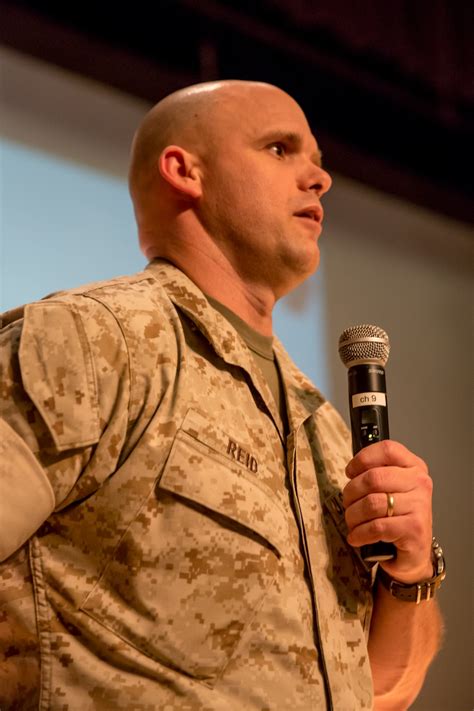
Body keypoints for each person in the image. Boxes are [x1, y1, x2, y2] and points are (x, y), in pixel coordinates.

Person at [0, 80, 444, 710]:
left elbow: (385, 693)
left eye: (318, 160)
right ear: (186, 171)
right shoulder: (94, 341)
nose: (319, 179)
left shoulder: (324, 431)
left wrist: (410, 573)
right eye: (281, 148)